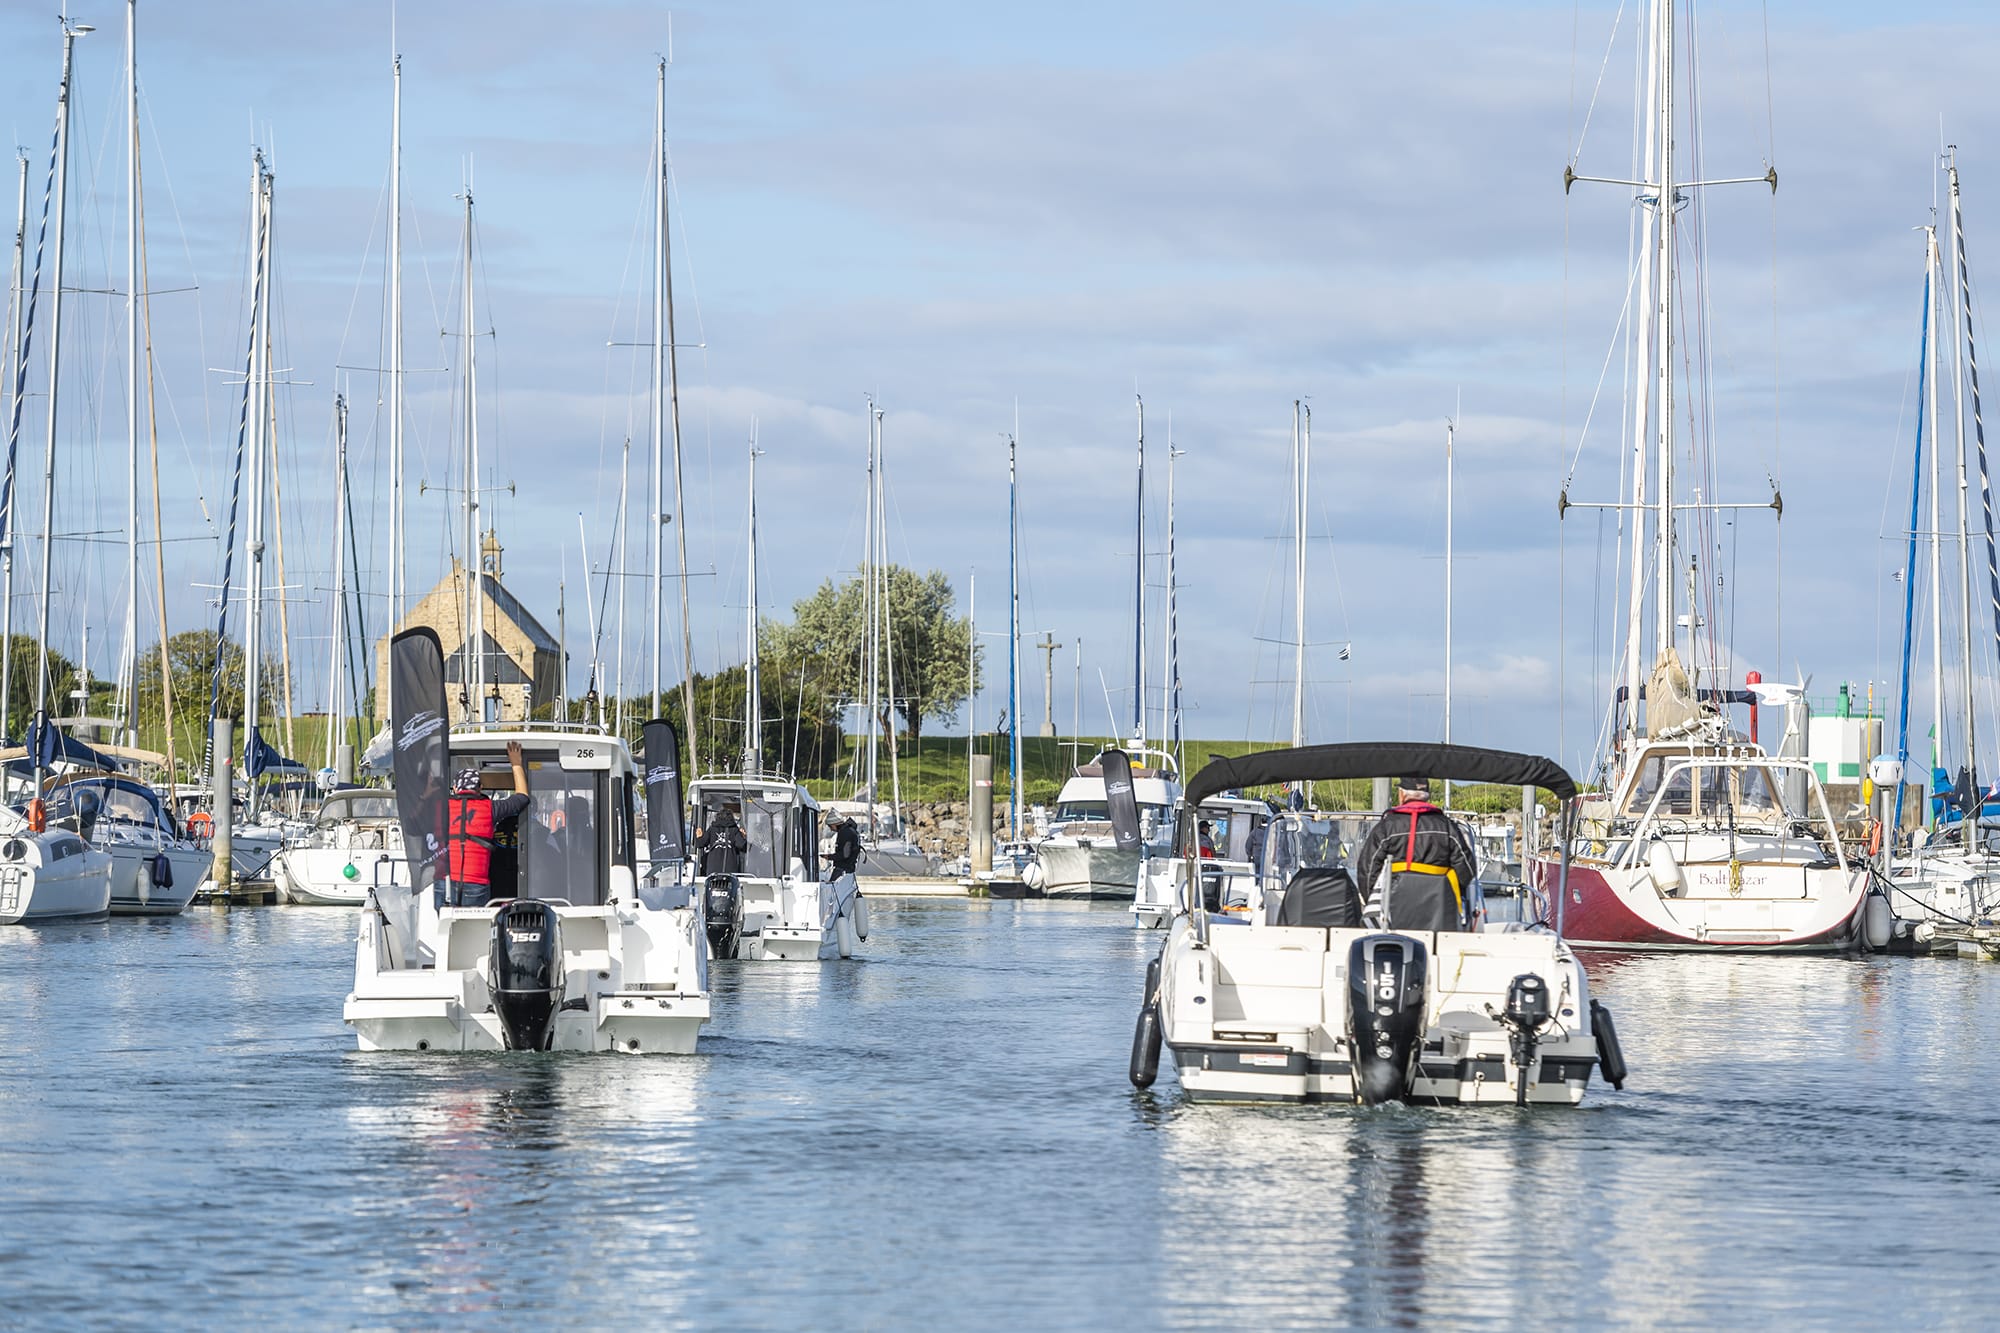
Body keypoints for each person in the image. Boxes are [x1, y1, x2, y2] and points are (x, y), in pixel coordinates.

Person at [1352, 775, 1477, 931]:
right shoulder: (1447, 827)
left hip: (1394, 913)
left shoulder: (1387, 827)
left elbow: (1367, 869)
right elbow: (1467, 869)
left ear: (1402, 794)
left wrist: (1373, 899)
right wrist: (1448, 894)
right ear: (1427, 796)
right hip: (1440, 914)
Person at [443, 741, 531, 908]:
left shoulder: (442, 808)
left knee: (446, 927)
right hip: (476, 883)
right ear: (480, 788)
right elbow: (522, 798)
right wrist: (516, 763)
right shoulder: (490, 808)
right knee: (477, 928)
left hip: (446, 882)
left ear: (454, 788)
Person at [696, 806, 748, 876]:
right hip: (730, 869)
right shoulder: (734, 830)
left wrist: (699, 836)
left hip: (713, 868)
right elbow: (742, 846)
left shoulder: (712, 829)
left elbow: (700, 844)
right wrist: (743, 837)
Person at [828, 813, 862, 881]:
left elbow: (845, 854)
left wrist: (828, 857)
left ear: (834, 824)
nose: (831, 830)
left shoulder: (845, 832)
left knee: (831, 887)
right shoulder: (850, 831)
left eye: (830, 826)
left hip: (842, 869)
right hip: (849, 870)